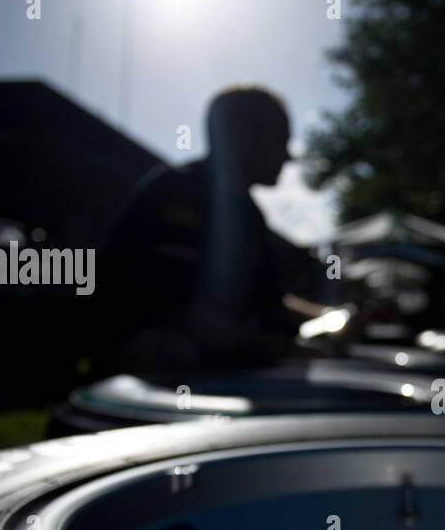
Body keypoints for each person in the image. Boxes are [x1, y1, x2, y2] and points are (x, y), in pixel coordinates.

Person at [97, 85, 327, 375]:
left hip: (222, 361)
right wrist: (269, 347)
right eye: (280, 141)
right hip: (140, 371)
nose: (288, 156)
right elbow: (168, 311)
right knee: (165, 350)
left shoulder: (251, 216)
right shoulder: (173, 195)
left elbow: (273, 303)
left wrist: (333, 319)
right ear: (242, 136)